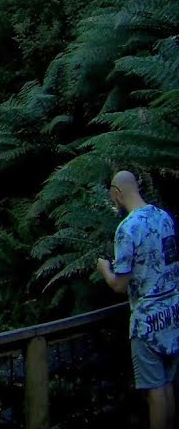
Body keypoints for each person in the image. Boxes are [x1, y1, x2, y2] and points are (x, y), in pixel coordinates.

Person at [98, 170, 179, 429]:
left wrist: (104, 270)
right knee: (167, 385)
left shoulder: (127, 228)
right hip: (173, 313)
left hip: (147, 321)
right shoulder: (164, 217)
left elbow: (120, 285)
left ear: (117, 193)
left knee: (155, 392)